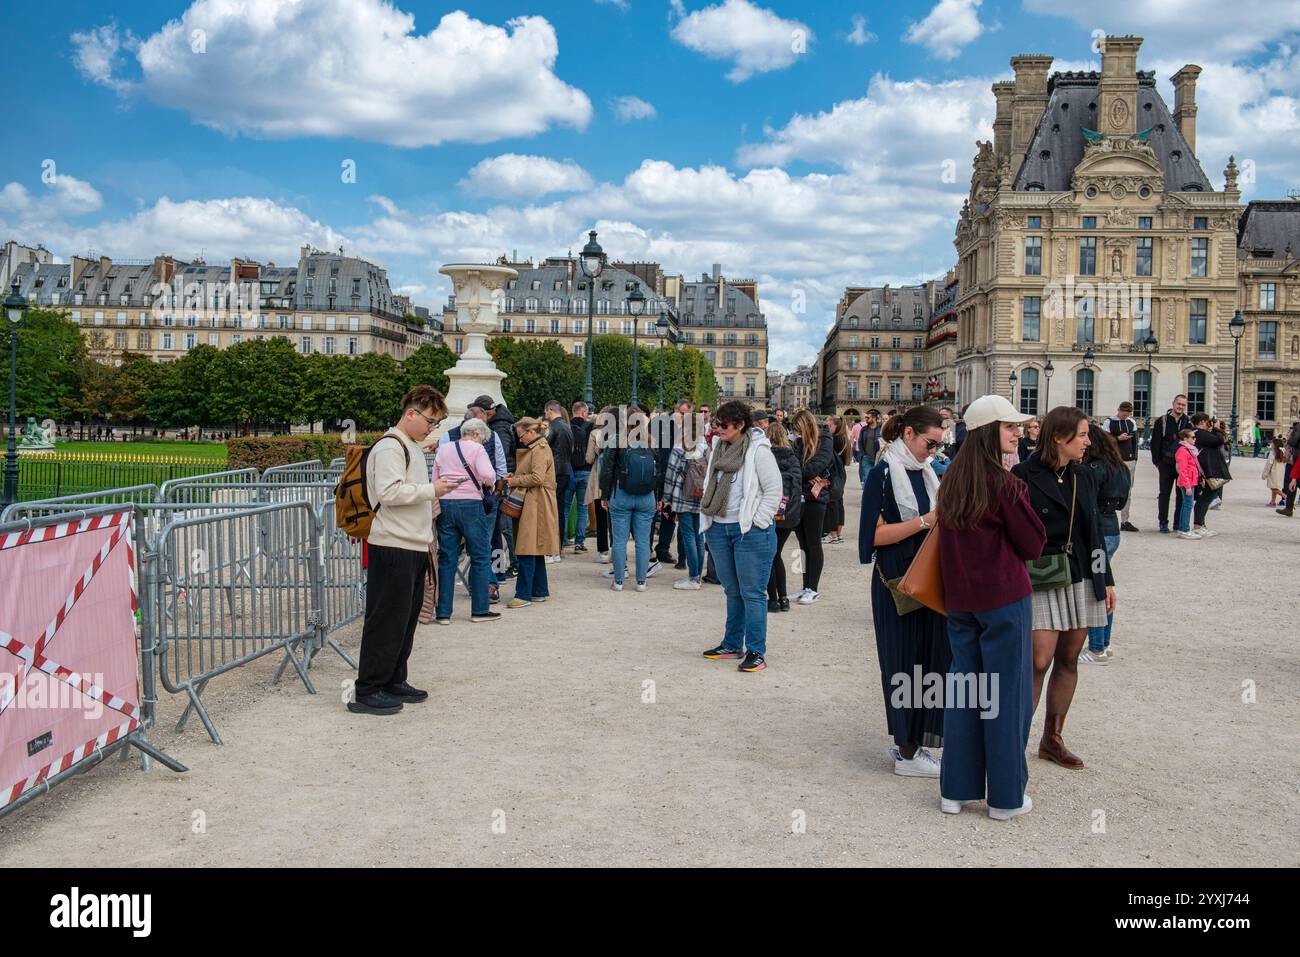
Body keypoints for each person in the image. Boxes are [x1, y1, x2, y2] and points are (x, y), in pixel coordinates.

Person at [936, 394, 1045, 820]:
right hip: (1003, 599)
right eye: (1009, 426)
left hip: (961, 600)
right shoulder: (1005, 484)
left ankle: (955, 790)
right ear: (987, 433)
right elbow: (1033, 544)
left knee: (964, 693)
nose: (1018, 433)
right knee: (1006, 697)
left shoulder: (951, 482)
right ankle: (1004, 797)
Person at [1012, 406, 1115, 771]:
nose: (1089, 442)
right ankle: (1015, 738)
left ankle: (1052, 738)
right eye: (1083, 435)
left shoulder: (1084, 476)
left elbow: (1095, 532)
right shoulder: (1023, 474)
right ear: (1059, 437)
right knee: (1038, 660)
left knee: (1069, 658)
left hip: (1080, 573)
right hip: (1041, 575)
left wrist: (1107, 580)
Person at [351, 386, 461, 716]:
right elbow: (389, 492)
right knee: (386, 620)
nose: (432, 427)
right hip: (393, 543)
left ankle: (393, 678)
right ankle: (369, 688)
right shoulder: (390, 447)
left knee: (404, 620)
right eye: (430, 420)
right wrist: (434, 489)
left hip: (409, 543)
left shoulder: (406, 445)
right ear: (410, 414)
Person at [859, 405, 949, 778]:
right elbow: (871, 538)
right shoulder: (883, 473)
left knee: (929, 662)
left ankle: (916, 744)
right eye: (930, 443)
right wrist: (926, 521)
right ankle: (906, 750)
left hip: (926, 578)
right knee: (901, 664)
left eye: (938, 445)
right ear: (909, 434)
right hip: (896, 580)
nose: (934, 451)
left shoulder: (926, 473)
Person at [699, 401, 782, 672]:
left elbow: (773, 490)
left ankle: (756, 651)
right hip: (719, 527)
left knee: (752, 593)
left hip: (749, 531)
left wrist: (757, 521)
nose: (717, 428)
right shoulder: (718, 450)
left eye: (723, 424)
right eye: (716, 423)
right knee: (732, 590)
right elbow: (708, 482)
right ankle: (732, 644)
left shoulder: (758, 451)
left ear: (740, 425)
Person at [432, 417, 501, 626]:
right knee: (480, 556)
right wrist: (486, 483)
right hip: (470, 503)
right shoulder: (477, 449)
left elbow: (435, 477)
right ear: (478, 434)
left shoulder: (444, 448)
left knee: (447, 558)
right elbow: (489, 475)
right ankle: (479, 609)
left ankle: (443, 613)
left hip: (446, 503)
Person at [1080, 425, 1130, 663]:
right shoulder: (1120, 467)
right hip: (1112, 528)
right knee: (1104, 584)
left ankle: (1096, 646)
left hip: (1097, 531)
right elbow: (1122, 503)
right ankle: (1105, 643)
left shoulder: (1093, 469)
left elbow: (1085, 502)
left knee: (1096, 588)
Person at [600, 409, 658, 591]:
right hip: (647, 496)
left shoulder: (618, 440)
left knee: (619, 540)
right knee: (642, 542)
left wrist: (604, 494)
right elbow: (659, 471)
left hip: (621, 494)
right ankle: (641, 582)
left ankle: (618, 581)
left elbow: (607, 469)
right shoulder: (652, 442)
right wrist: (660, 496)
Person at [505, 418, 559, 608]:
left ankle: (523, 594)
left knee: (527, 547)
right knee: (535, 547)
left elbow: (537, 478)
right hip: (536, 501)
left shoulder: (540, 450)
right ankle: (539, 590)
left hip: (536, 503)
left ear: (531, 432)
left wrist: (514, 481)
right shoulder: (540, 448)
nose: (520, 440)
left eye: (521, 435)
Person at [790, 409, 834, 604]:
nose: (796, 434)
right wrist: (801, 472)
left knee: (813, 543)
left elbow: (813, 468)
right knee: (801, 545)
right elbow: (796, 467)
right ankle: (804, 585)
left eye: (798, 430)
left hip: (816, 498)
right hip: (800, 496)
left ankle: (813, 588)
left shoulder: (825, 440)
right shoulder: (799, 443)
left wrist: (800, 471)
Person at [662, 410, 710, 589]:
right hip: (700, 493)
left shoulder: (679, 446)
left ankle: (693, 577)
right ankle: (697, 575)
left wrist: (666, 497)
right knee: (699, 536)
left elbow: (670, 475)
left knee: (688, 535)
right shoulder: (705, 446)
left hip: (682, 495)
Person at [765, 422, 803, 612]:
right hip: (789, 514)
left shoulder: (766, 456)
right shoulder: (793, 458)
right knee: (776, 555)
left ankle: (773, 600)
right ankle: (784, 598)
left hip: (771, 513)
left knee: (770, 556)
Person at [1149, 394, 1192, 533]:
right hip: (1166, 463)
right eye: (1178, 404)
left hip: (1182, 464)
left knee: (1181, 494)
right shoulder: (1162, 421)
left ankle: (1177, 522)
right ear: (1173, 403)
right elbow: (1155, 442)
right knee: (1164, 493)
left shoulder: (1187, 422)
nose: (1180, 407)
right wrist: (1157, 461)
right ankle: (1163, 522)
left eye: (1183, 405)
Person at [488, 402, 519, 578]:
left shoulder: (499, 427)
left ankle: (515, 564)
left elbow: (503, 454)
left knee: (505, 528)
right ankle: (501, 568)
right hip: (504, 479)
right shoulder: (503, 424)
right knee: (500, 531)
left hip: (503, 481)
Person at [585, 405, 617, 562]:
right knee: (616, 517)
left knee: (601, 515)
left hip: (599, 478)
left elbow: (589, 458)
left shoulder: (595, 433)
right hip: (617, 481)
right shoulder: (623, 434)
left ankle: (603, 550)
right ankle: (616, 548)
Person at [543, 401, 573, 562]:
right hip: (566, 470)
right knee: (559, 510)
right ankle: (558, 548)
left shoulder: (553, 427)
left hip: (554, 471)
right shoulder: (567, 426)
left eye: (546, 412)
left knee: (551, 511)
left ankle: (551, 549)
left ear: (550, 410)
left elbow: (545, 447)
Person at [1191, 412, 1229, 536]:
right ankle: (1198, 525)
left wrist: (1216, 429)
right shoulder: (1198, 433)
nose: (1209, 425)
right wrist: (1217, 429)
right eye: (1208, 422)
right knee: (1206, 496)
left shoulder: (1198, 433)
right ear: (1202, 422)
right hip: (1207, 470)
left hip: (1207, 468)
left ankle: (1200, 523)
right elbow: (1218, 441)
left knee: (1207, 496)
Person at [1103, 402, 1139, 531]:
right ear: (1119, 410)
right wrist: (1118, 438)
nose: (1126, 415)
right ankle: (1107, 517)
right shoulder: (1109, 422)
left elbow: (1135, 442)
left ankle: (1125, 520)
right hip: (1113, 459)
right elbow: (1105, 441)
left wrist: (1135, 458)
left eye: (1128, 413)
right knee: (1111, 488)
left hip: (1129, 460)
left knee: (1127, 491)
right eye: (1124, 413)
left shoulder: (1131, 423)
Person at [568, 401, 594, 553]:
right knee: (582, 509)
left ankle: (561, 540)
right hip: (585, 471)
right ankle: (579, 542)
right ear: (584, 413)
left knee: (565, 508)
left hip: (570, 472)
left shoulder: (566, 427)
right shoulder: (590, 428)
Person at [821, 415, 850, 544]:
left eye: (829, 426)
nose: (827, 428)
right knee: (839, 503)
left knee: (832, 503)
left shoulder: (835, 440)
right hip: (841, 473)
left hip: (833, 473)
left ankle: (832, 534)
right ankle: (837, 533)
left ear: (835, 426)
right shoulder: (843, 438)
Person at [1174, 429, 1201, 539]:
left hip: (1191, 480)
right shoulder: (1183, 451)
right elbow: (1183, 470)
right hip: (1187, 482)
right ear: (1185, 439)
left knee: (1186, 504)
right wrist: (1187, 486)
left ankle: (1182, 528)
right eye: (1192, 437)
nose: (1195, 439)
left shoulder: (1189, 450)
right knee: (1188, 505)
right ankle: (1184, 529)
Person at [857, 411, 882, 483]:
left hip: (878, 458)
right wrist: (863, 454)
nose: (866, 419)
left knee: (877, 480)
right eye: (865, 417)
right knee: (867, 478)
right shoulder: (864, 429)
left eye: (868, 418)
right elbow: (860, 442)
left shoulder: (880, 429)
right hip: (866, 458)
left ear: (874, 418)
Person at [1264, 436, 1288, 506]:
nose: (1271, 444)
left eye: (1272, 443)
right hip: (1280, 472)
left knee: (1273, 488)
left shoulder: (1272, 453)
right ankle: (1273, 502)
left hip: (1273, 473)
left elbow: (1268, 465)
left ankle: (1286, 497)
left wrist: (1264, 474)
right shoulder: (1282, 451)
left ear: (1275, 445)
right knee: (1275, 487)